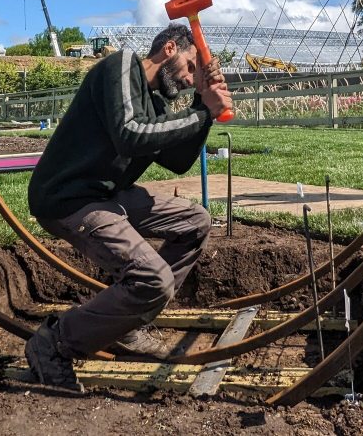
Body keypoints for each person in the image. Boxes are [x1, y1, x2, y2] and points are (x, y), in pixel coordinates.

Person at [21, 23, 231, 391]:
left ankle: (129, 324)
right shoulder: (120, 66)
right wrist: (201, 114)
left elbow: (178, 161)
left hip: (107, 195)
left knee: (195, 221)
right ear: (170, 49)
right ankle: (54, 344)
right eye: (190, 67)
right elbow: (131, 134)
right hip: (69, 198)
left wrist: (203, 105)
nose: (188, 78)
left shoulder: (156, 103)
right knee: (153, 279)